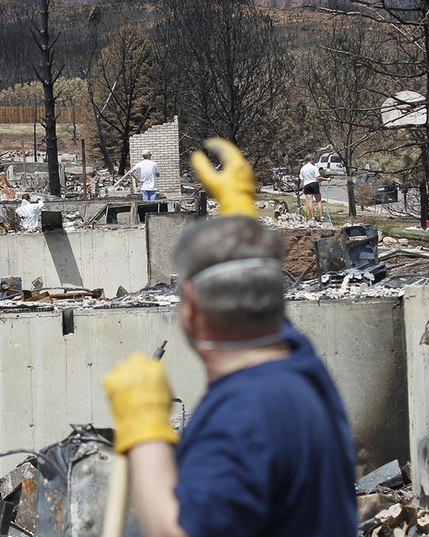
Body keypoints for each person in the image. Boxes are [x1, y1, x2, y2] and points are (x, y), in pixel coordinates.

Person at [103, 138, 356, 537]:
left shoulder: (241, 421)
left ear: (190, 305)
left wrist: (146, 433)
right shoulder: (303, 369)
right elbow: (265, 310)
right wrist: (242, 221)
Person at [299, 155, 326, 220]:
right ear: (311, 160)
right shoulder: (314, 167)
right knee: (318, 201)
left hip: (306, 185)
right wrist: (326, 179)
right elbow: (318, 177)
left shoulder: (302, 168)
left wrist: (302, 188)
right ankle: (321, 216)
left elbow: (302, 179)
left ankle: (312, 217)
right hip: (314, 183)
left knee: (310, 201)